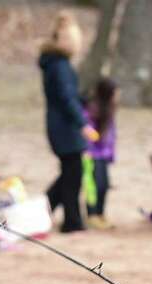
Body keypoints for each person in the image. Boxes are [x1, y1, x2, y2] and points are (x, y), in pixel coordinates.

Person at [38, 11, 95, 234]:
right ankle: (70, 220)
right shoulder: (59, 66)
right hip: (64, 128)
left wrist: (85, 100)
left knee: (70, 173)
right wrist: (83, 123)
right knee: (72, 173)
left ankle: (50, 210)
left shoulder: (56, 64)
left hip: (62, 125)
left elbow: (69, 95)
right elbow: (65, 98)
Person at [83, 77, 118, 230]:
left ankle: (101, 214)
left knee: (104, 186)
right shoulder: (92, 109)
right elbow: (88, 131)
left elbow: (110, 135)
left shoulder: (109, 110)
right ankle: (92, 215)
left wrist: (110, 153)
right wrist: (88, 150)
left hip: (103, 154)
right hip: (92, 155)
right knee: (93, 187)